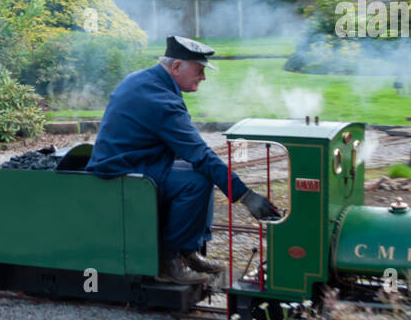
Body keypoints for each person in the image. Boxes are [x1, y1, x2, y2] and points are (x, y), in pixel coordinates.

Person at [86, 35, 282, 286]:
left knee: (201, 173)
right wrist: (244, 195)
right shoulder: (161, 101)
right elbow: (200, 154)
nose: (203, 77)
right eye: (199, 70)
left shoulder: (144, 80)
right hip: (122, 172)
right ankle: (168, 261)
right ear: (176, 67)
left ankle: (188, 252)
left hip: (134, 161)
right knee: (197, 181)